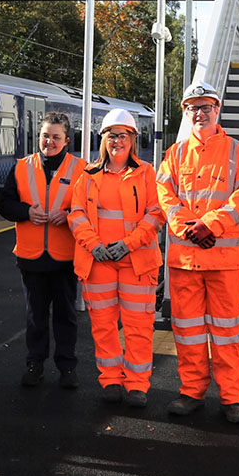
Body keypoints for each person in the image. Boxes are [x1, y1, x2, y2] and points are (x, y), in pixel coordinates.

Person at [156, 81, 239, 424]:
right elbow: (165, 196)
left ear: (218, 109)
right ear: (186, 112)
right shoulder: (175, 153)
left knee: (228, 331)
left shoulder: (238, 152)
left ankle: (232, 398)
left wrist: (210, 225)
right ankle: (191, 392)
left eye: (206, 106)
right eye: (193, 108)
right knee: (188, 331)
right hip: (187, 260)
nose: (200, 113)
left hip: (223, 261)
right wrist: (189, 228)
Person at [68, 109, 165, 407]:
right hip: (98, 261)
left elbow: (156, 213)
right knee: (104, 324)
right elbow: (77, 213)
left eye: (124, 135)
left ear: (133, 139)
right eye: (112, 135)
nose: (117, 141)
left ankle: (137, 384)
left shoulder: (147, 173)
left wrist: (129, 244)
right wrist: (93, 244)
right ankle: (110, 380)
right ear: (103, 139)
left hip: (136, 261)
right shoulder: (88, 175)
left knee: (138, 325)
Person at [0, 112, 87, 389]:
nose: (49, 141)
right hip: (31, 255)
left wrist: (69, 214)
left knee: (66, 315)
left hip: (65, 256)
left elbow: (91, 206)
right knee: (35, 316)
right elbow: (5, 204)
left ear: (67, 140)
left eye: (56, 137)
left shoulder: (81, 169)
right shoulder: (21, 167)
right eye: (45, 135)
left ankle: (67, 367)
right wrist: (26, 212)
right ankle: (34, 364)